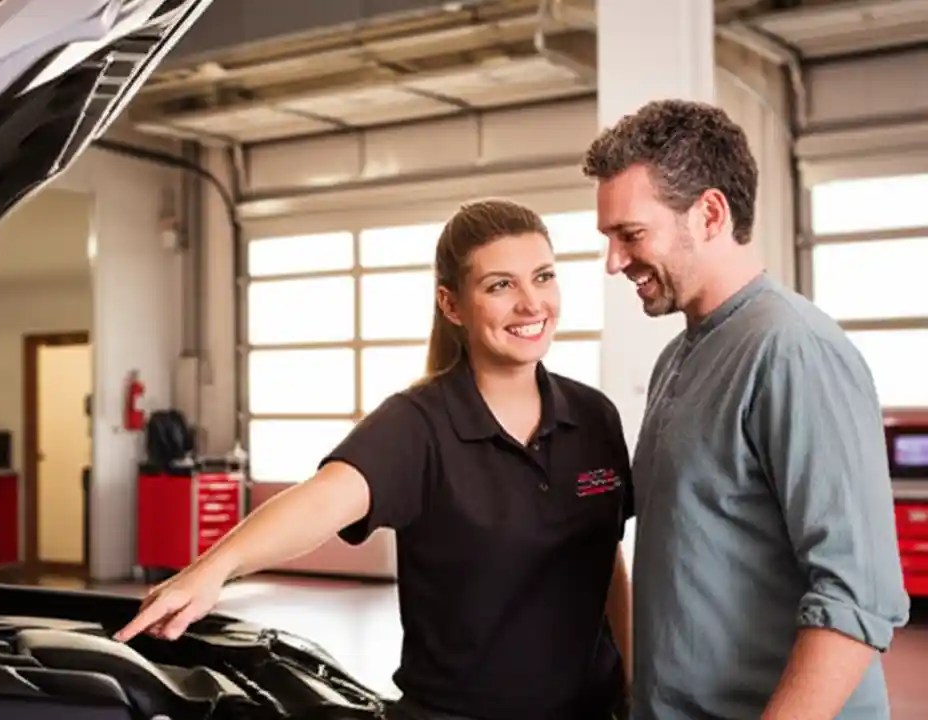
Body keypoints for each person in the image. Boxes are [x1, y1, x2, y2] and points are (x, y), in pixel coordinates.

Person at [114, 199, 635, 719]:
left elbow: (606, 563)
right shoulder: (419, 425)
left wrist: (635, 687)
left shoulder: (593, 417)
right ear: (451, 305)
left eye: (542, 277)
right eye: (500, 285)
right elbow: (321, 502)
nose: (531, 303)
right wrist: (215, 569)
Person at [581, 98, 911, 720]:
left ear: (709, 214)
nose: (614, 261)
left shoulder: (794, 350)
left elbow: (857, 598)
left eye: (631, 234)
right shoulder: (678, 357)